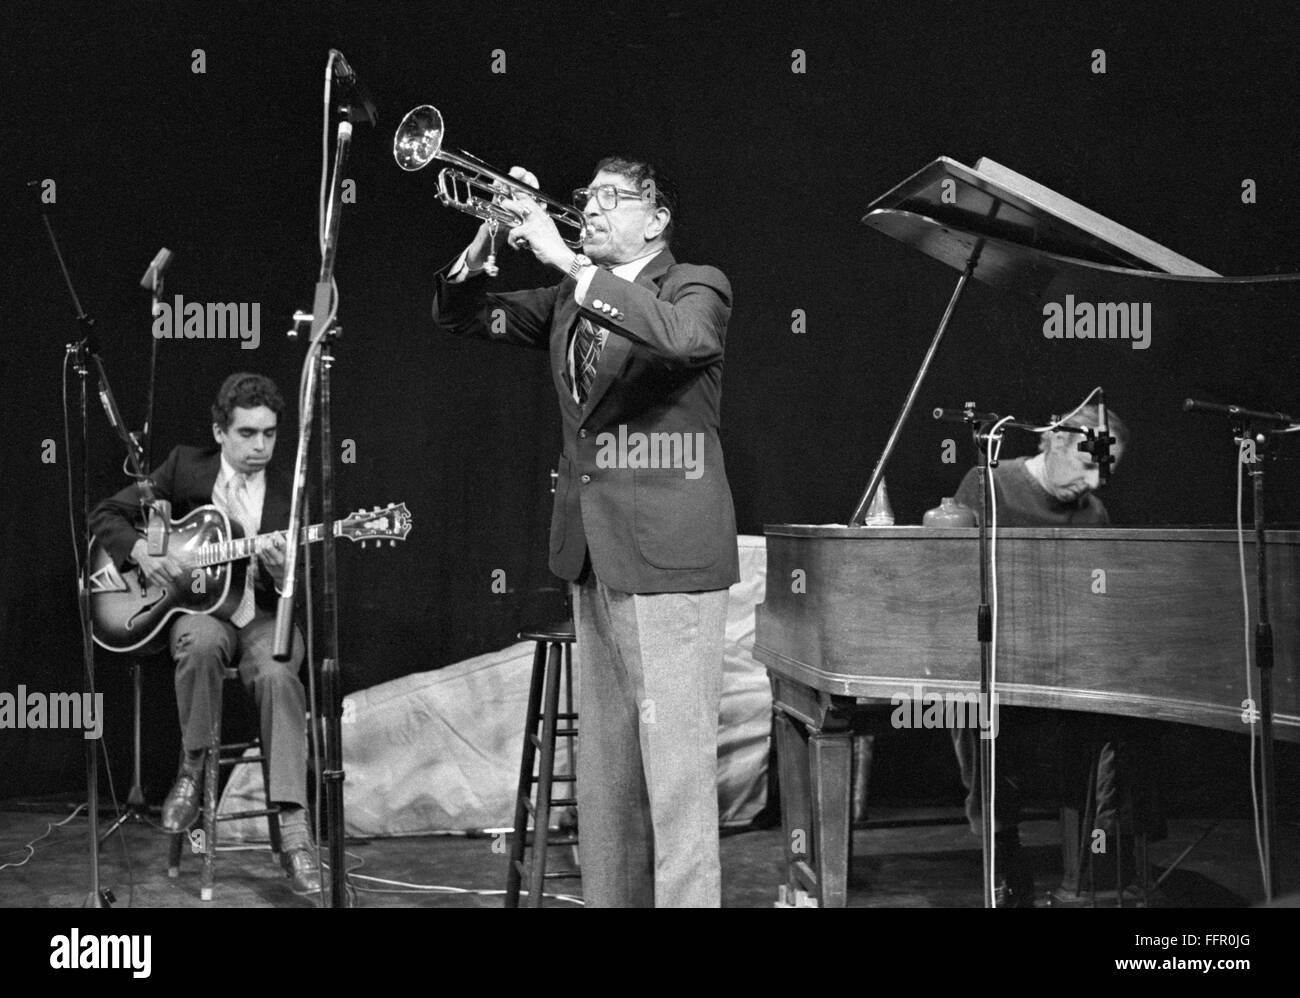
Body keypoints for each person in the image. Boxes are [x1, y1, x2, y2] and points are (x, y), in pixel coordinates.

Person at [431, 157, 738, 907]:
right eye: (585, 198)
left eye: (611, 199)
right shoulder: (570, 298)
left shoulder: (696, 284)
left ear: (656, 219)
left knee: (677, 777)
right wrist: (484, 239)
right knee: (606, 780)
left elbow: (680, 341)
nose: (590, 209)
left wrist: (570, 261)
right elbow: (464, 314)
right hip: (592, 557)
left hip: (670, 561)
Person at [90, 373, 321, 895]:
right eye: (247, 433)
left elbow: (302, 590)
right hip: (202, 618)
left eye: (269, 433)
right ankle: (193, 769)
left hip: (262, 617)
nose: (260, 446)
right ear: (220, 432)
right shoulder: (184, 467)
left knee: (280, 673)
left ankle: (293, 825)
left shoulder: (293, 490)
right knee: (198, 640)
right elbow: (106, 515)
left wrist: (282, 570)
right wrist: (145, 552)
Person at [949, 404, 1158, 906]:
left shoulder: (1094, 514)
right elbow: (949, 582)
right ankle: (1001, 847)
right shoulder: (988, 485)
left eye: (1104, 472)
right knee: (974, 708)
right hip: (991, 656)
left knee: (1131, 710)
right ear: (1057, 442)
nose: (1095, 483)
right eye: (1088, 466)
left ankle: (1095, 859)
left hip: (1066, 663)